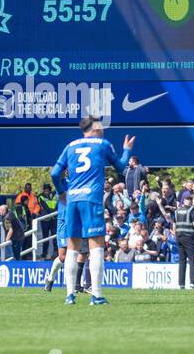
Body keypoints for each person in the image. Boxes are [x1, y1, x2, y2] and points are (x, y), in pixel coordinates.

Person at [49, 115, 134, 306]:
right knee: (96, 248)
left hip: (73, 200)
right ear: (95, 127)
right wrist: (127, 150)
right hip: (91, 200)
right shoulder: (103, 144)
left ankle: (70, 295)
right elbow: (121, 167)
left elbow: (55, 173)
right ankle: (96, 295)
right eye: (101, 126)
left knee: (72, 248)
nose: (103, 129)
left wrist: (62, 192)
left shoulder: (70, 146)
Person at [173, 191, 194, 290]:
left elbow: (174, 225)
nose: (191, 201)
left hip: (179, 237)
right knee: (192, 260)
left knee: (182, 261)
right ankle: (193, 282)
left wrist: (176, 236)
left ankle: (181, 283)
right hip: (189, 237)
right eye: (190, 199)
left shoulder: (177, 211)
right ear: (187, 200)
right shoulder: (192, 210)